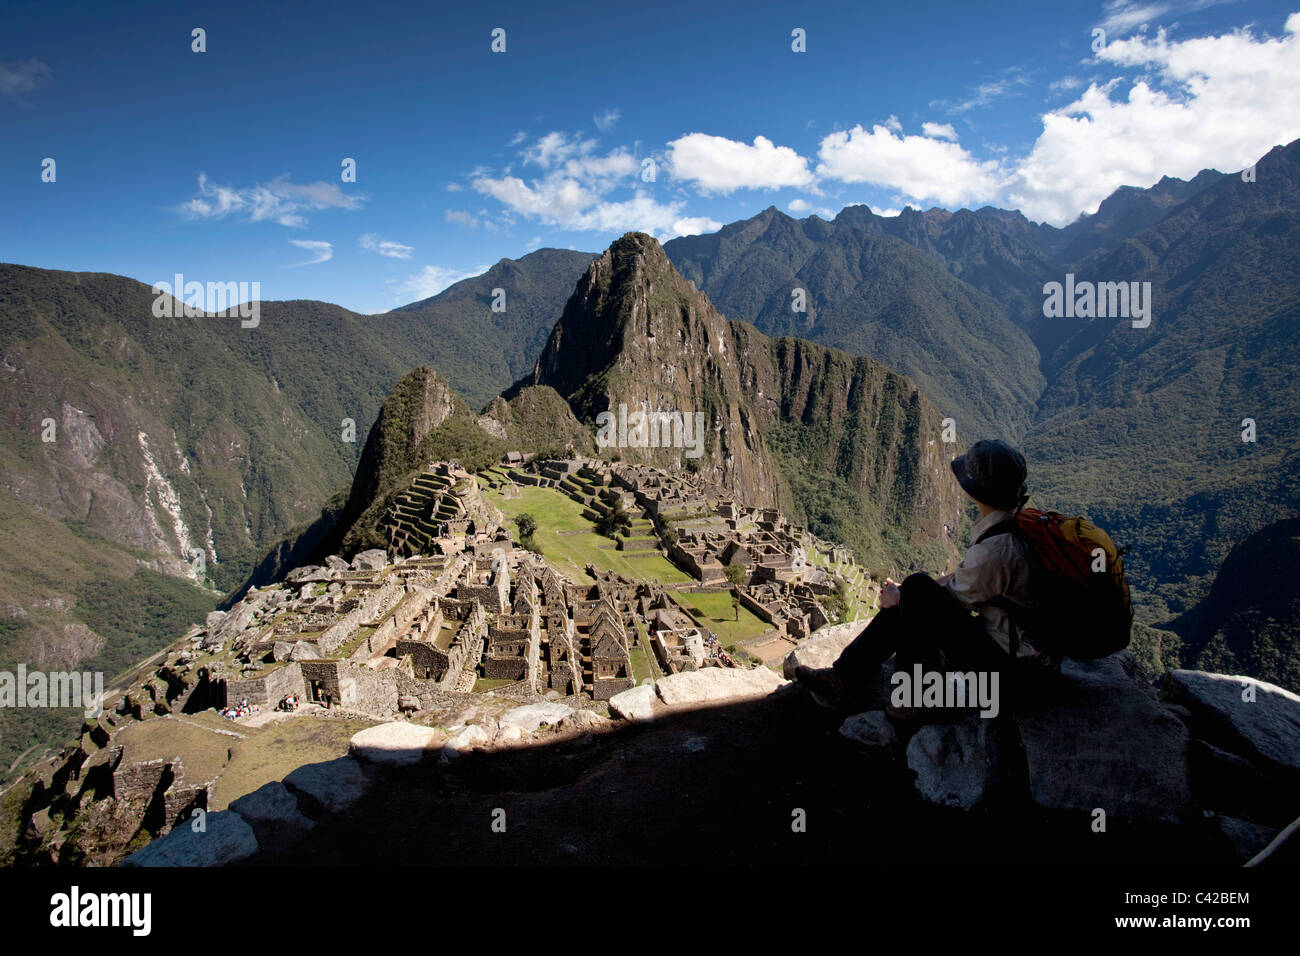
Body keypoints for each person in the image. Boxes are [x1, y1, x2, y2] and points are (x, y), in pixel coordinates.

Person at [797, 439, 1056, 718]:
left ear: (977, 492)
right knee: (915, 590)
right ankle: (843, 678)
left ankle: (912, 698)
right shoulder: (1016, 527)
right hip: (1024, 661)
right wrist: (906, 594)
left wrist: (902, 597)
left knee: (916, 590)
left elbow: (938, 603)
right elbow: (962, 582)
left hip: (1016, 678)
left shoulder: (997, 551)